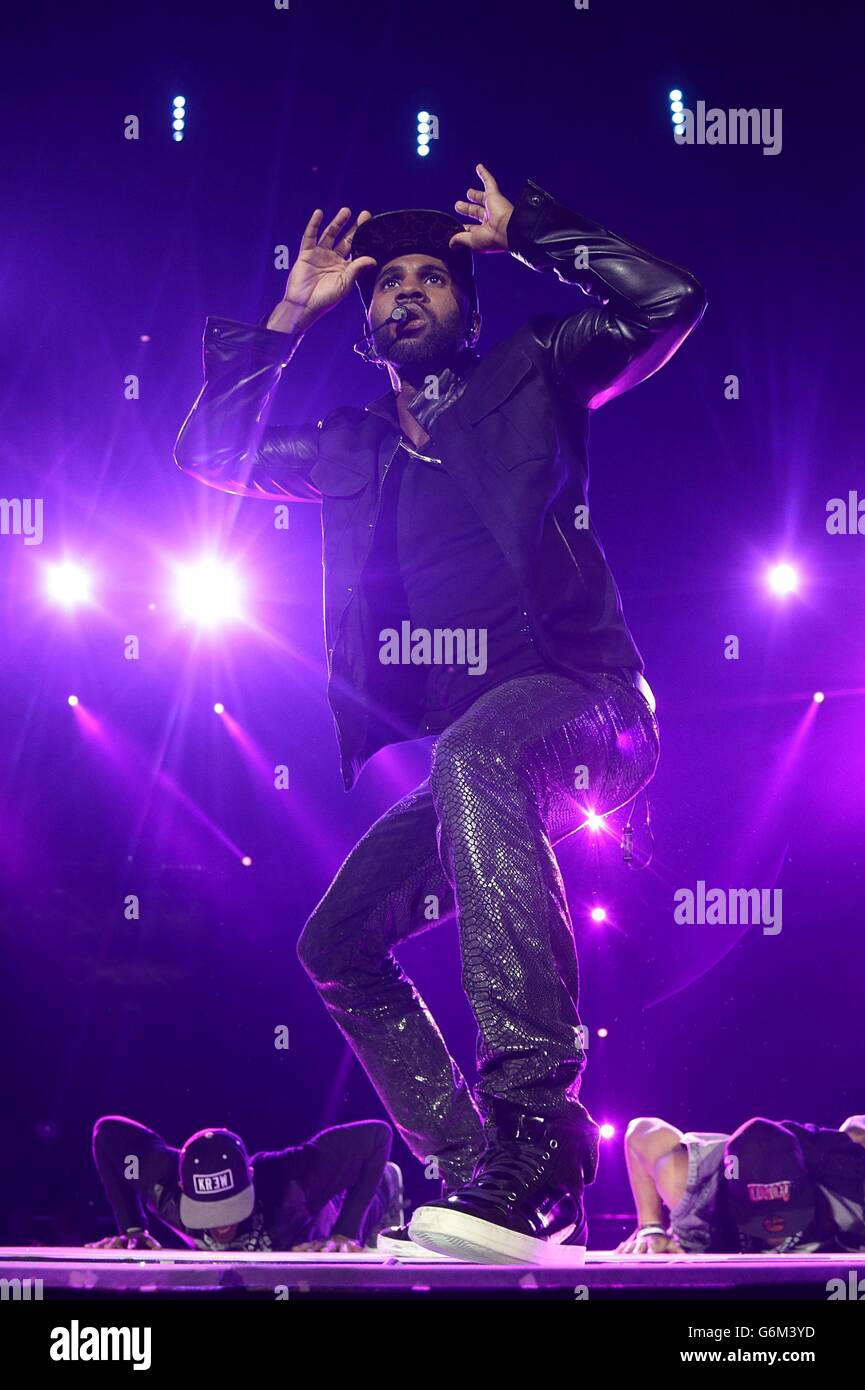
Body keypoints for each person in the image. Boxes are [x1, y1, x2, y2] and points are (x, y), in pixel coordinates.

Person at [174, 162, 706, 1263]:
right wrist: (287, 315)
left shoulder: (534, 370)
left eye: (432, 276)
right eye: (387, 283)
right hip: (484, 757)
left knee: (473, 754)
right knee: (337, 943)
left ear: (468, 307)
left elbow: (668, 301)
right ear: (368, 322)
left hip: (595, 707)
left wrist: (536, 230)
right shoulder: (354, 442)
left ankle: (541, 1130)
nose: (406, 290)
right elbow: (210, 454)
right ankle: (483, 1179)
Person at [86, 1116, 400, 1253]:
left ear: (250, 1177)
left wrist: (344, 1232)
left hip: (313, 1226)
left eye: (229, 1208)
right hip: (272, 1249)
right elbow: (106, 1132)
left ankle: (385, 1187)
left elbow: (377, 1135)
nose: (221, 1226)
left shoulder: (290, 1177)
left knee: (343, 1235)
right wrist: (132, 1230)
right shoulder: (161, 1181)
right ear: (182, 1188)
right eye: (208, 1212)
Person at [616, 1113, 865, 1255]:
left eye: (786, 1213)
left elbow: (858, 1126)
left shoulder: (847, 1177)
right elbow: (640, 1131)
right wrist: (650, 1227)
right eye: (759, 1216)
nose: (774, 1234)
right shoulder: (695, 1187)